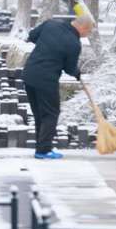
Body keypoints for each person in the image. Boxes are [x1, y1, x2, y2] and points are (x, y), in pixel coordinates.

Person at [23, 12, 93, 159]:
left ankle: (41, 148)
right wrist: (78, 74)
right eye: (89, 31)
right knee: (51, 113)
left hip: (29, 73)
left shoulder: (51, 24)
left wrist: (47, 47)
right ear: (83, 27)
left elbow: (32, 36)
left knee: (39, 114)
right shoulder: (74, 43)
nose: (87, 34)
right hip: (46, 79)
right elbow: (69, 68)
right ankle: (43, 150)